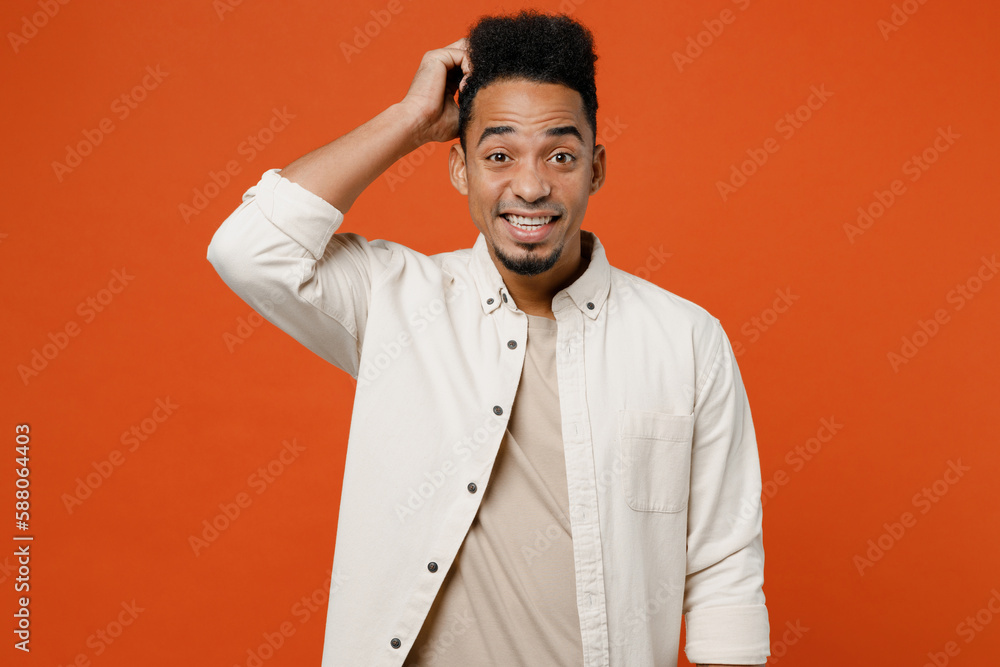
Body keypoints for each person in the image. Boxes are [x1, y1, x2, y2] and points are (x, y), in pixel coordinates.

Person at [206, 9, 769, 667]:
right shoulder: (399, 302)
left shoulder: (686, 340)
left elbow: (725, 563)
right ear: (459, 168)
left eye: (561, 156)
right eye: (498, 155)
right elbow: (250, 249)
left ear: (596, 168)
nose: (530, 186)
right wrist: (410, 120)